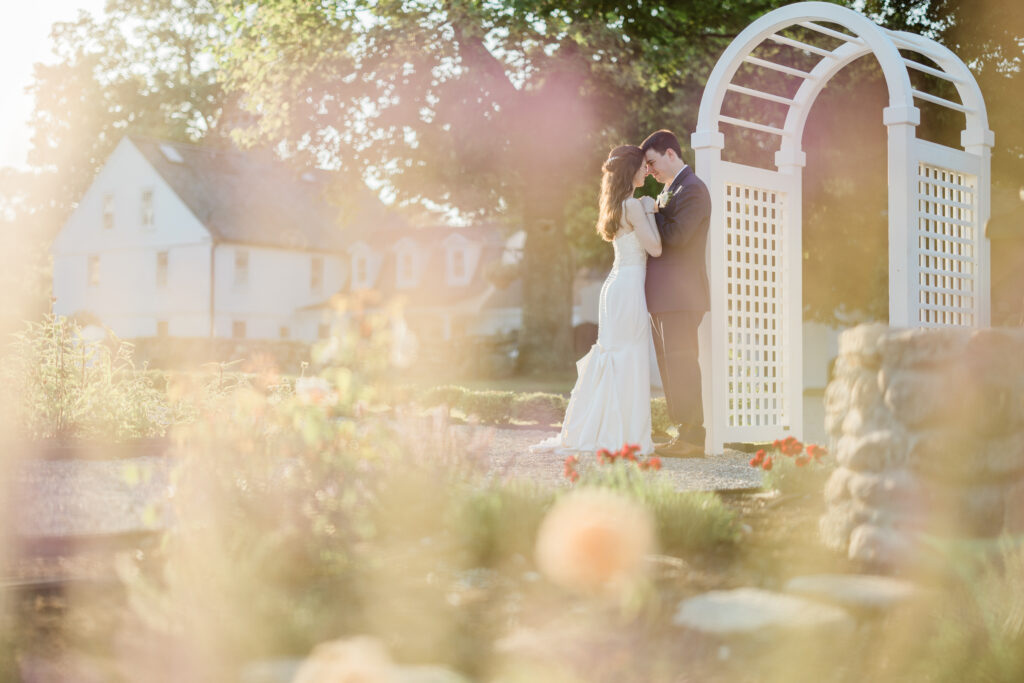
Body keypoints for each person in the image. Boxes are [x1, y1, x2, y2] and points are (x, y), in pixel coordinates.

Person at [531, 145, 662, 456]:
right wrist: (649, 210)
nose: (647, 171)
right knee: (628, 357)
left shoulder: (614, 206)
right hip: (629, 287)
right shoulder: (632, 206)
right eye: (643, 166)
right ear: (631, 171)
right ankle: (625, 434)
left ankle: (607, 428)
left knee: (614, 357)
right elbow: (655, 248)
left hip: (614, 287)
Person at [640, 129, 711, 458]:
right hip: (664, 296)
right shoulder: (668, 189)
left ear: (671, 153)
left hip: (681, 295)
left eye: (652, 162)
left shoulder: (693, 189)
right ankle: (682, 431)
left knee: (683, 364)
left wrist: (651, 214)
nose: (650, 170)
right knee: (669, 366)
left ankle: (693, 437)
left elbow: (680, 237)